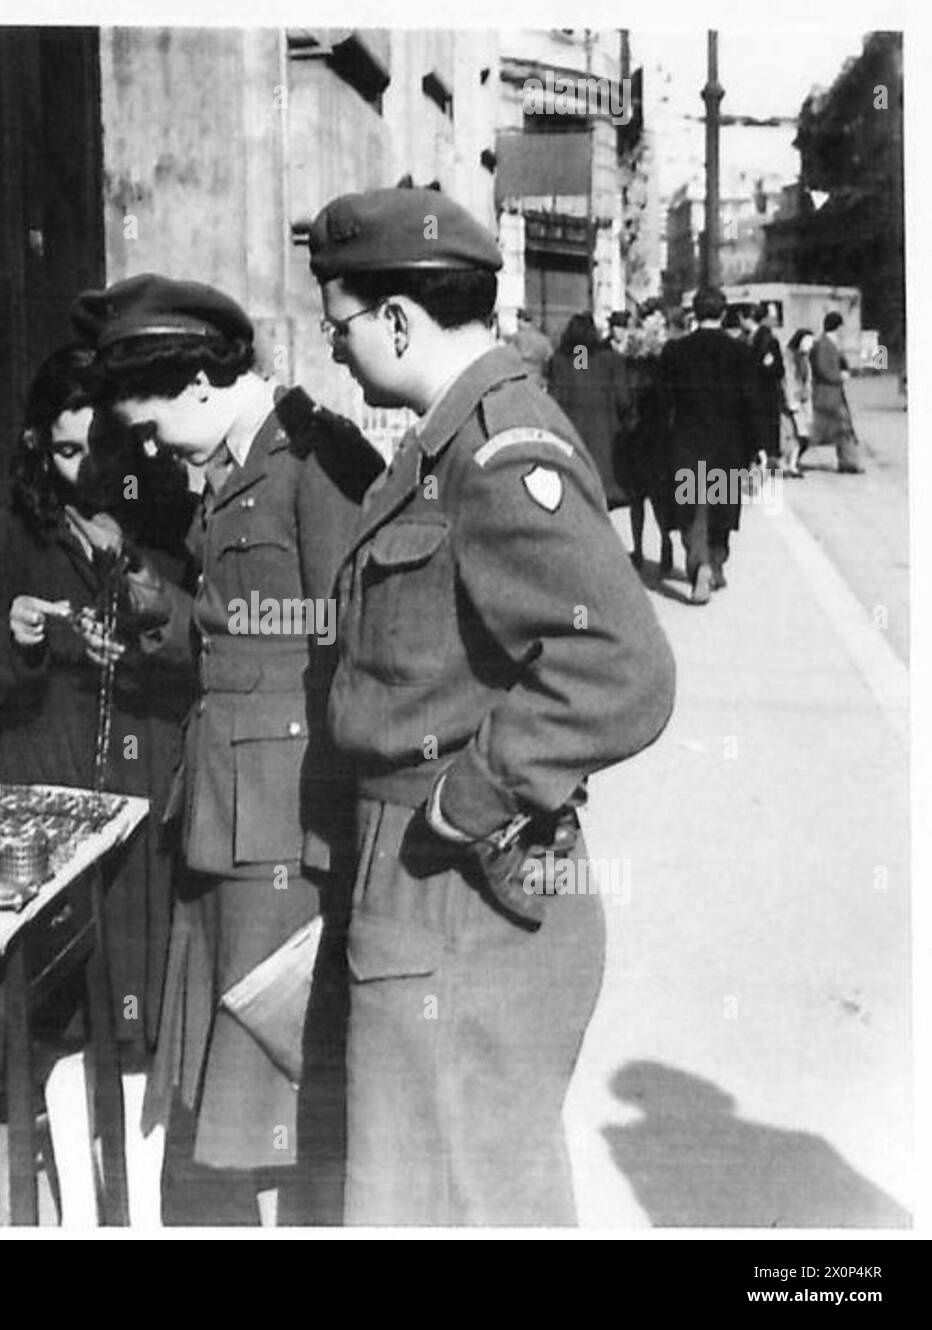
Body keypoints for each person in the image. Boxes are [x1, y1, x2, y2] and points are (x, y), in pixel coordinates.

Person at [307, 185, 676, 1225]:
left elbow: (622, 666)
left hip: (456, 886)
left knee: (464, 1200)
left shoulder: (495, 451)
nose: (334, 350)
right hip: (429, 887)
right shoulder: (448, 439)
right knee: (433, 1189)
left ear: (395, 319)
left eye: (338, 325)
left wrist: (472, 797)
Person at [87, 273, 381, 1226]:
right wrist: (157, 611)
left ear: (204, 388)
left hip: (285, 824)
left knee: (282, 1066)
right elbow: (236, 633)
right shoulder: (233, 467)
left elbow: (360, 641)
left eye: (149, 426)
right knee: (228, 1080)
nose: (147, 450)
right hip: (225, 812)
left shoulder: (313, 461)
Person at [0, 342, 198, 1062]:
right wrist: (17, 637)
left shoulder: (173, 523)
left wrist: (151, 618)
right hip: (45, 785)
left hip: (145, 782)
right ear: (37, 446)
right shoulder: (5, 535)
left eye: (104, 450)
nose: (87, 471)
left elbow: (214, 644)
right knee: (43, 1005)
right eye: (65, 451)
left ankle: (123, 1128)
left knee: (135, 997)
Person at [658, 285, 760, 603]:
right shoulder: (741, 352)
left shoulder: (675, 351)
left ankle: (698, 563)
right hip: (728, 447)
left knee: (691, 510)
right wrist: (758, 448)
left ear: (695, 314)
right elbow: (752, 403)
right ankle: (715, 564)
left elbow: (661, 401)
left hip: (688, 442)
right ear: (723, 312)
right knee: (721, 511)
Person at [547, 310, 633, 509]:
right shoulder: (611, 360)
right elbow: (623, 399)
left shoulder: (560, 361)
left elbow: (555, 398)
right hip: (605, 439)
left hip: (571, 434)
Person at [619, 301, 680, 571]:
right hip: (658, 438)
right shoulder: (665, 364)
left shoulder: (630, 364)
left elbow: (624, 400)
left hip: (634, 437)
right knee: (658, 498)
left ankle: (640, 551)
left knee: (636, 500)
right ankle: (666, 544)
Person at [810, 311, 865, 473]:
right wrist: (839, 376)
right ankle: (849, 462)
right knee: (841, 427)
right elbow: (822, 368)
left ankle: (848, 462)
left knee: (841, 429)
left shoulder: (829, 343)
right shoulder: (824, 344)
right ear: (838, 326)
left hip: (833, 393)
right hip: (827, 393)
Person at [741, 302, 786, 472]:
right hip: (749, 395)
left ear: (747, 319)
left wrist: (763, 366)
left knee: (764, 431)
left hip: (764, 394)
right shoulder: (744, 338)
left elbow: (778, 369)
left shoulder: (767, 340)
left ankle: (769, 461)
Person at [782, 328, 813, 477]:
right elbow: (788, 380)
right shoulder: (788, 357)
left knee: (801, 436)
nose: (810, 345)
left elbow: (807, 379)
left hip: (802, 401)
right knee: (795, 436)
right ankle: (790, 465)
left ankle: (792, 463)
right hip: (793, 401)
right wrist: (791, 401)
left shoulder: (804, 358)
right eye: (807, 341)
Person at [511, 306, 554, 388]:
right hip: (537, 380)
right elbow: (550, 359)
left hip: (517, 380)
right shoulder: (544, 340)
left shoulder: (514, 338)